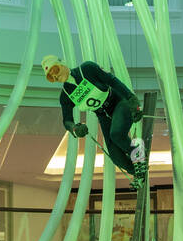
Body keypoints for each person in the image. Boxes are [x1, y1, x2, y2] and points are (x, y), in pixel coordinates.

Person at [43, 55, 146, 188]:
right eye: (51, 77)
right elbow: (67, 120)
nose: (55, 76)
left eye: (55, 70)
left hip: (118, 102)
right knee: (115, 155)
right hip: (103, 115)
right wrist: (75, 128)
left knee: (116, 134)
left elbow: (112, 81)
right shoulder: (65, 95)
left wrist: (131, 98)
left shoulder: (87, 69)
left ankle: (139, 156)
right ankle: (137, 173)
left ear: (62, 63)